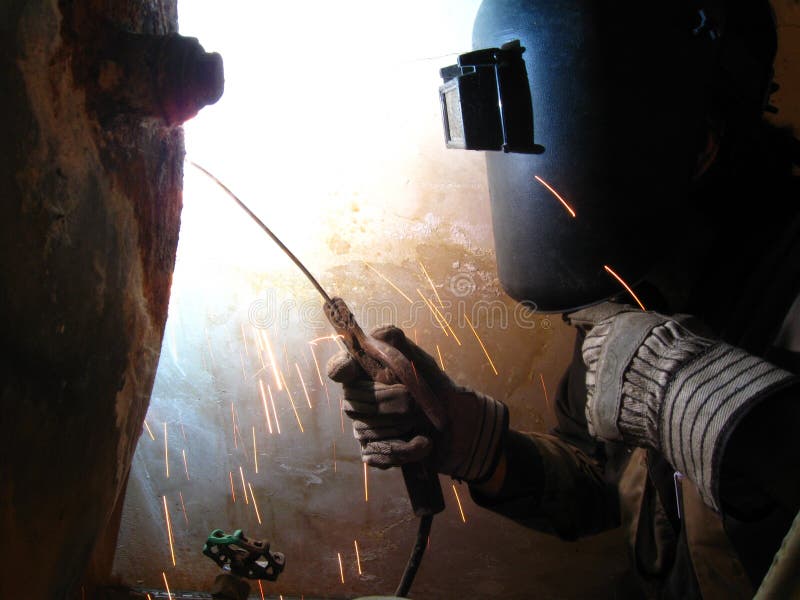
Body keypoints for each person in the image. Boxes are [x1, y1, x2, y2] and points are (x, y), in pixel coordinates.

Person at [328, 0, 800, 597]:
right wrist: (473, 442)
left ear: (695, 141)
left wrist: (725, 405)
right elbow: (601, 485)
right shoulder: (632, 293)